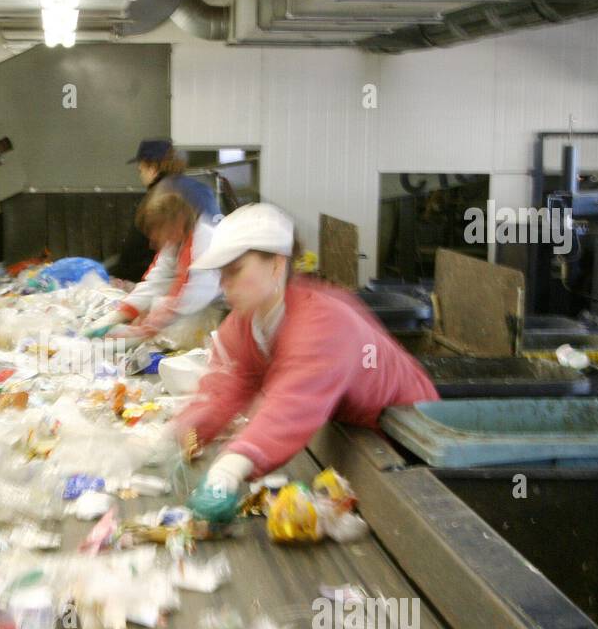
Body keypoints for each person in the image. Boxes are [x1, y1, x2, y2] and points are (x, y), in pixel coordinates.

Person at [167, 203, 439, 524]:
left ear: (276, 266)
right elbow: (225, 387)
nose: (224, 283)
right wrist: (173, 435)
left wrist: (228, 470)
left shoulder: (322, 324)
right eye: (221, 272)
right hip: (351, 431)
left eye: (235, 269)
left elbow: (290, 405)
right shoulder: (245, 323)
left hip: (407, 438)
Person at [84, 184, 223, 350]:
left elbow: (200, 291)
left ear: (175, 223)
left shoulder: (206, 239)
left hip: (222, 315)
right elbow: (156, 281)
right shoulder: (174, 244)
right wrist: (121, 313)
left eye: (156, 232)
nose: (152, 242)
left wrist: (154, 323)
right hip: (197, 311)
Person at [115, 139, 221, 282]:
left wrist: (118, 275)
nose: (141, 176)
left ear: (151, 167)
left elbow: (134, 249)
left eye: (141, 170)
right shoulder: (203, 189)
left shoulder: (160, 195)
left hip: (186, 277)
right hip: (217, 270)